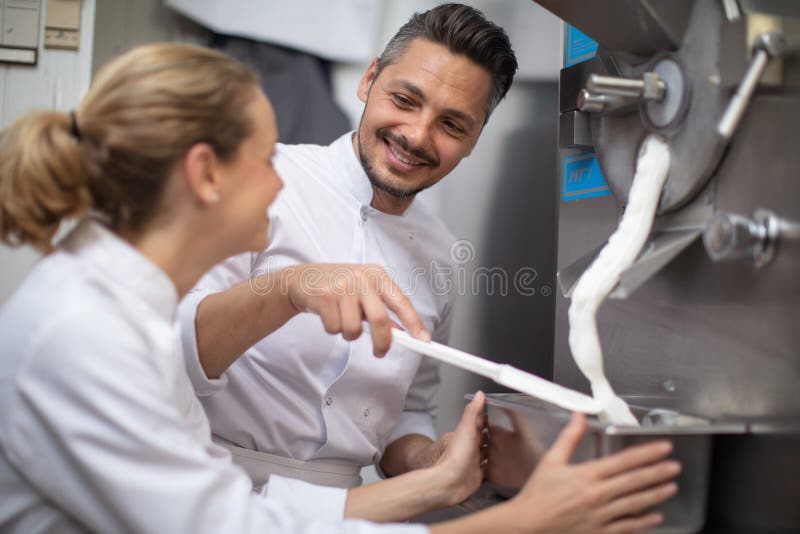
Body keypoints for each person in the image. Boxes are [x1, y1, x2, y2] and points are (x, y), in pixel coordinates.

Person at [0, 41, 681, 534]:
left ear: (475, 139)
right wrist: (523, 525)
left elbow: (267, 518)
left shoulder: (113, 315)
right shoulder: (85, 335)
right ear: (206, 174)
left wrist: (431, 475)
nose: (278, 181)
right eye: (266, 158)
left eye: (452, 123)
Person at [178, 2, 517, 497]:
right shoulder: (265, 179)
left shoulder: (444, 257)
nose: (416, 136)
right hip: (204, 484)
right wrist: (291, 287)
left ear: (474, 139)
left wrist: (426, 456)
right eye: (405, 100)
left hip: (347, 508)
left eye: (452, 125)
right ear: (369, 81)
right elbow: (175, 348)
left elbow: (407, 413)